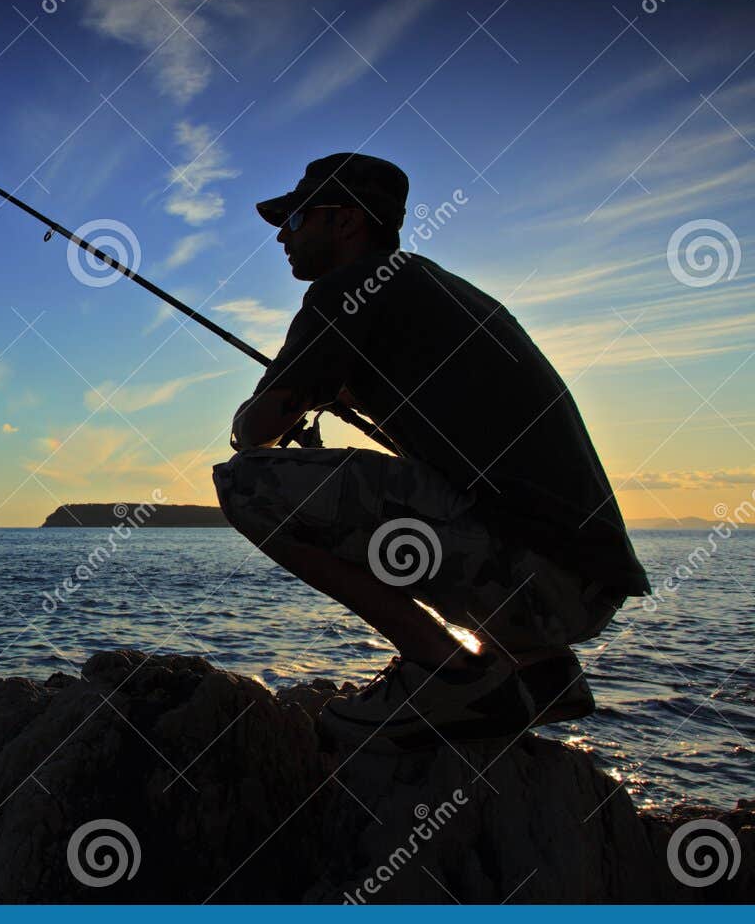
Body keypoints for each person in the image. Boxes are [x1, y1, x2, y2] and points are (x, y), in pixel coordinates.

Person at [213, 152, 649, 751]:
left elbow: (257, 429)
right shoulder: (436, 289)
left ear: (345, 222)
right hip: (581, 582)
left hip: (535, 573)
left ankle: (448, 673)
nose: (283, 238)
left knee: (246, 483)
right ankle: (539, 671)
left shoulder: (348, 290)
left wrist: (260, 415)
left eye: (294, 221)